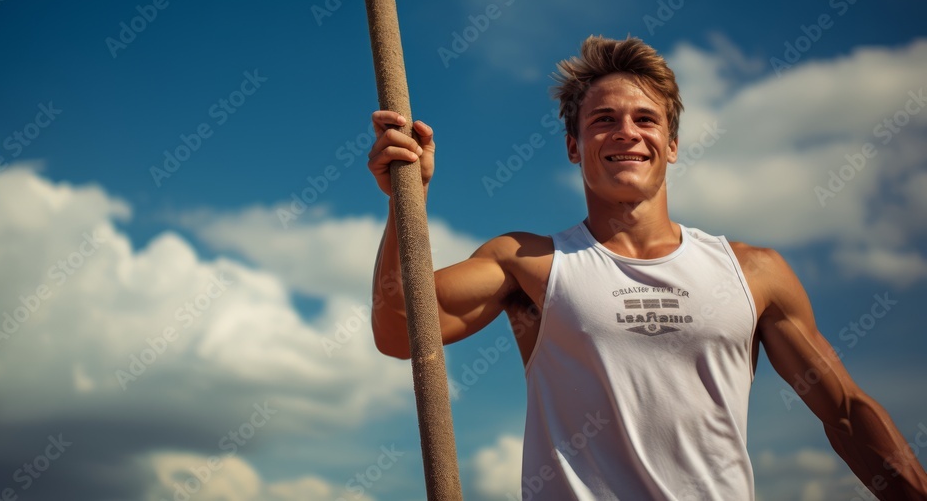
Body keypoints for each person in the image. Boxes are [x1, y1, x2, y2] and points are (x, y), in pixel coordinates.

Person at [367, 35, 927, 500]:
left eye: (645, 119)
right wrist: (404, 199)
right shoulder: (528, 263)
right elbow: (398, 329)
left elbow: (847, 414)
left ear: (673, 143)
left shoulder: (754, 272)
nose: (626, 133)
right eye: (603, 119)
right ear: (573, 145)